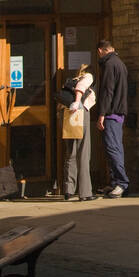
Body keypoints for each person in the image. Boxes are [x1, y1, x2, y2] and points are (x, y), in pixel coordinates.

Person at [95, 39, 130, 197]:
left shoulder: (109, 65)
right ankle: (116, 182)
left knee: (112, 148)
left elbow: (107, 91)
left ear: (101, 50)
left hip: (112, 113)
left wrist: (102, 114)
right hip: (119, 111)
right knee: (116, 147)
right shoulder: (119, 63)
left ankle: (121, 183)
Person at [62, 64, 97, 201]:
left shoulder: (73, 78)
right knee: (83, 151)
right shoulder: (88, 77)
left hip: (68, 114)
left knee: (70, 152)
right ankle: (85, 192)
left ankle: (68, 189)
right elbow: (80, 88)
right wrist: (77, 102)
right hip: (80, 112)